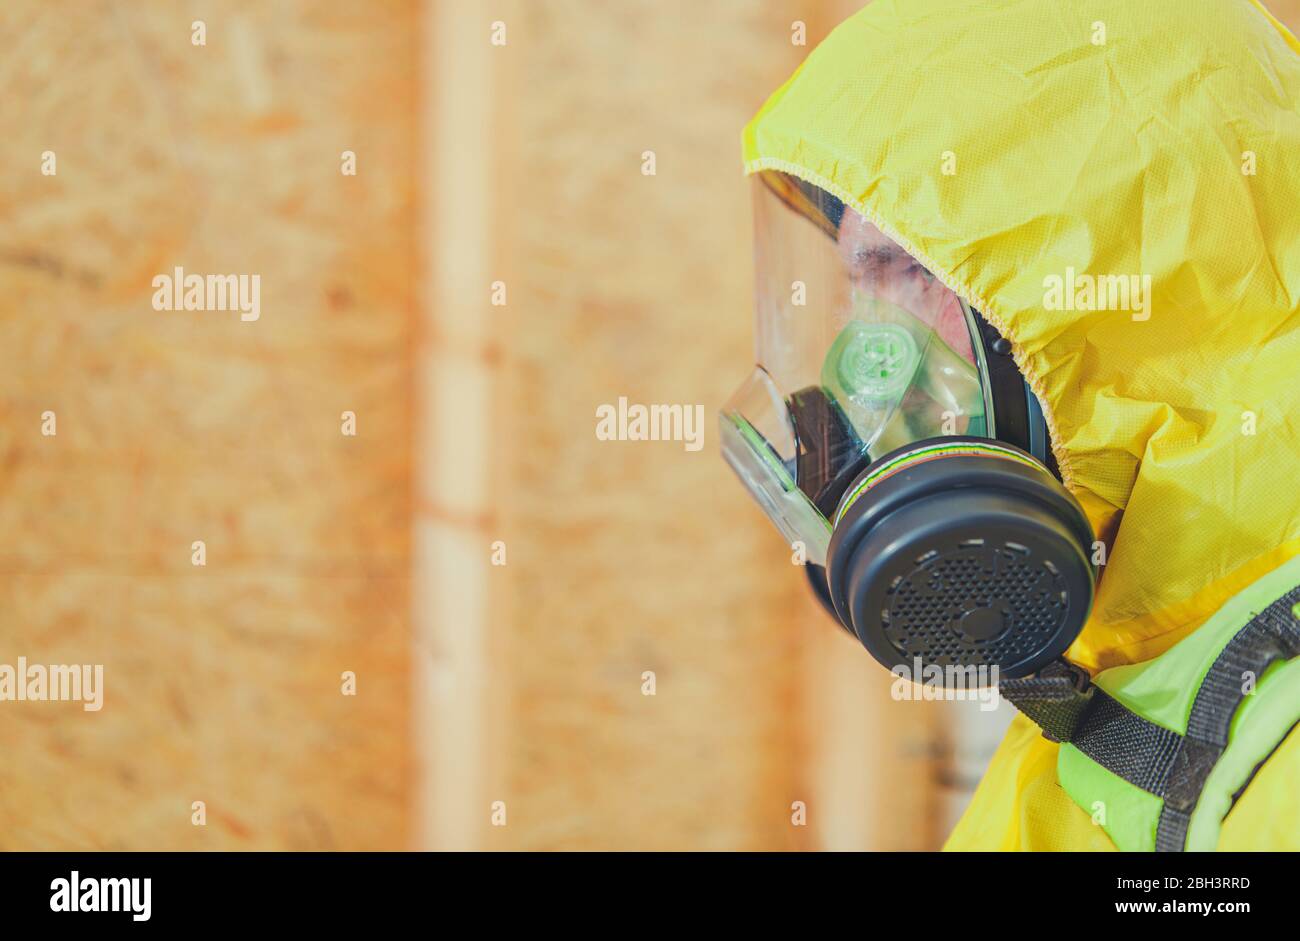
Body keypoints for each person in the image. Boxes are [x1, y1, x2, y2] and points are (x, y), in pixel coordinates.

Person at [721, 0, 1300, 850]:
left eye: (911, 273)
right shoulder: (1117, 682)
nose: (861, 363)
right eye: (857, 285)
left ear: (1124, 296)